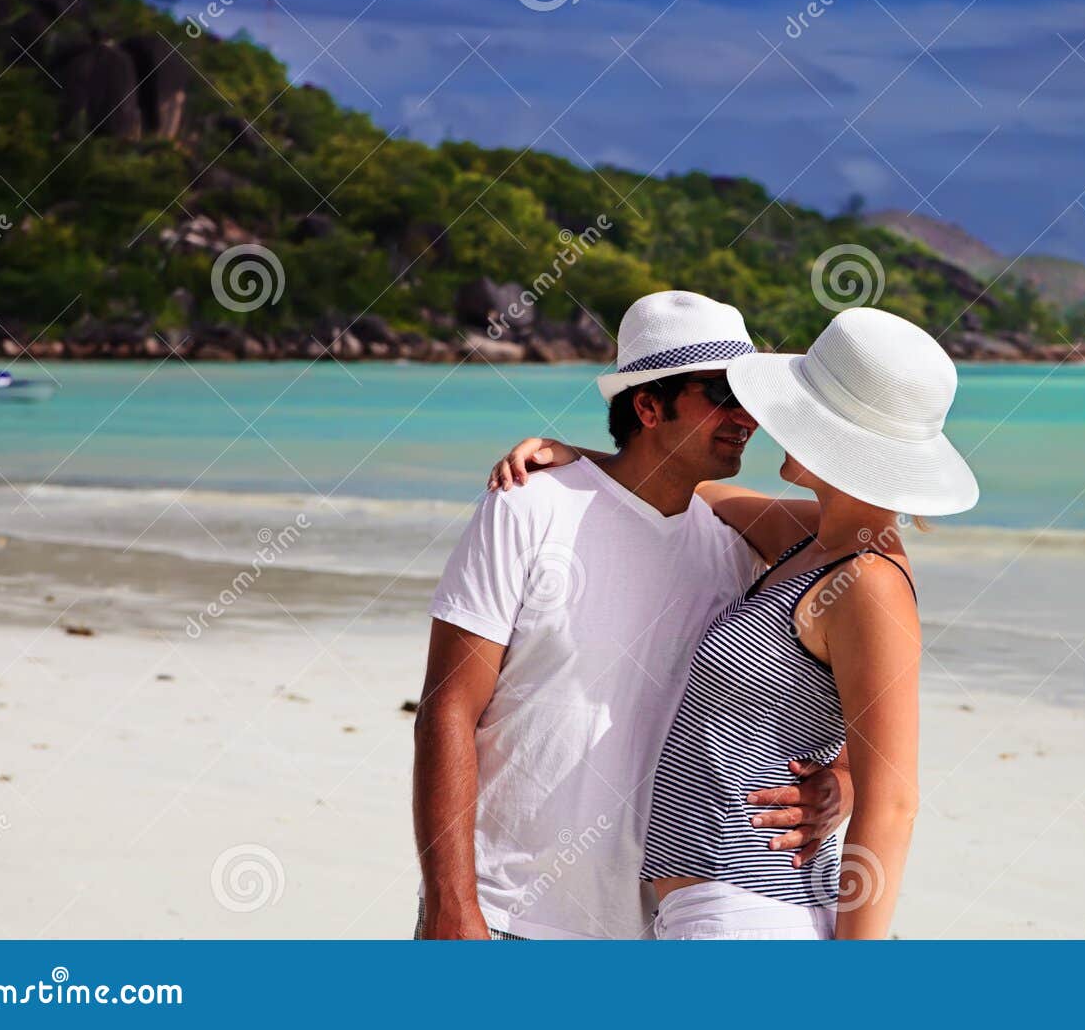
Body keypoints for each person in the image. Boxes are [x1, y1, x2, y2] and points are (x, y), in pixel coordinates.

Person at [491, 307, 980, 938]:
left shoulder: (870, 580)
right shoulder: (814, 540)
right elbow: (681, 487)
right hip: (704, 916)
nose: (761, 421)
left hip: (752, 916)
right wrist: (580, 459)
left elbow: (893, 804)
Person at [411, 290, 852, 940]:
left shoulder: (734, 553)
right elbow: (448, 708)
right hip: (499, 912)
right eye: (721, 395)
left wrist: (841, 783)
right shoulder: (528, 505)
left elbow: (864, 541)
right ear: (648, 405)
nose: (745, 417)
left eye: (749, 397)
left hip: (651, 931)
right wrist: (453, 906)